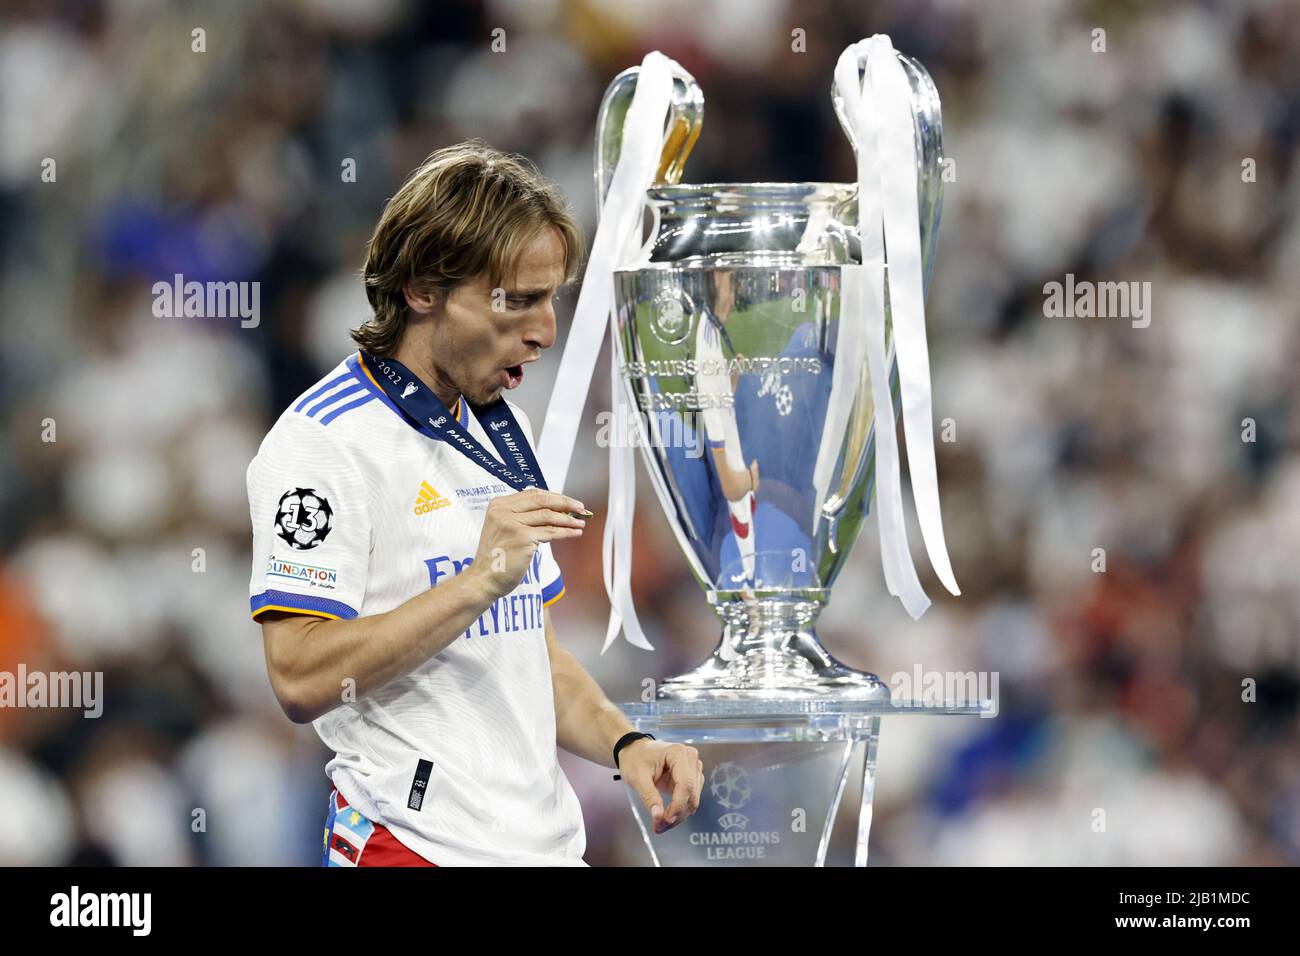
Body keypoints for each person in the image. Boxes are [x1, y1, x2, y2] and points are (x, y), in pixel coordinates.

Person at [245, 141, 703, 866]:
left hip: (542, 847)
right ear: (424, 290)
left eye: (551, 298)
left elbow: (529, 654)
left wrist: (627, 742)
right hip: (413, 846)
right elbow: (299, 676)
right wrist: (476, 581)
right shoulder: (323, 443)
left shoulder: (500, 425)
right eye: (517, 300)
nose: (546, 331)